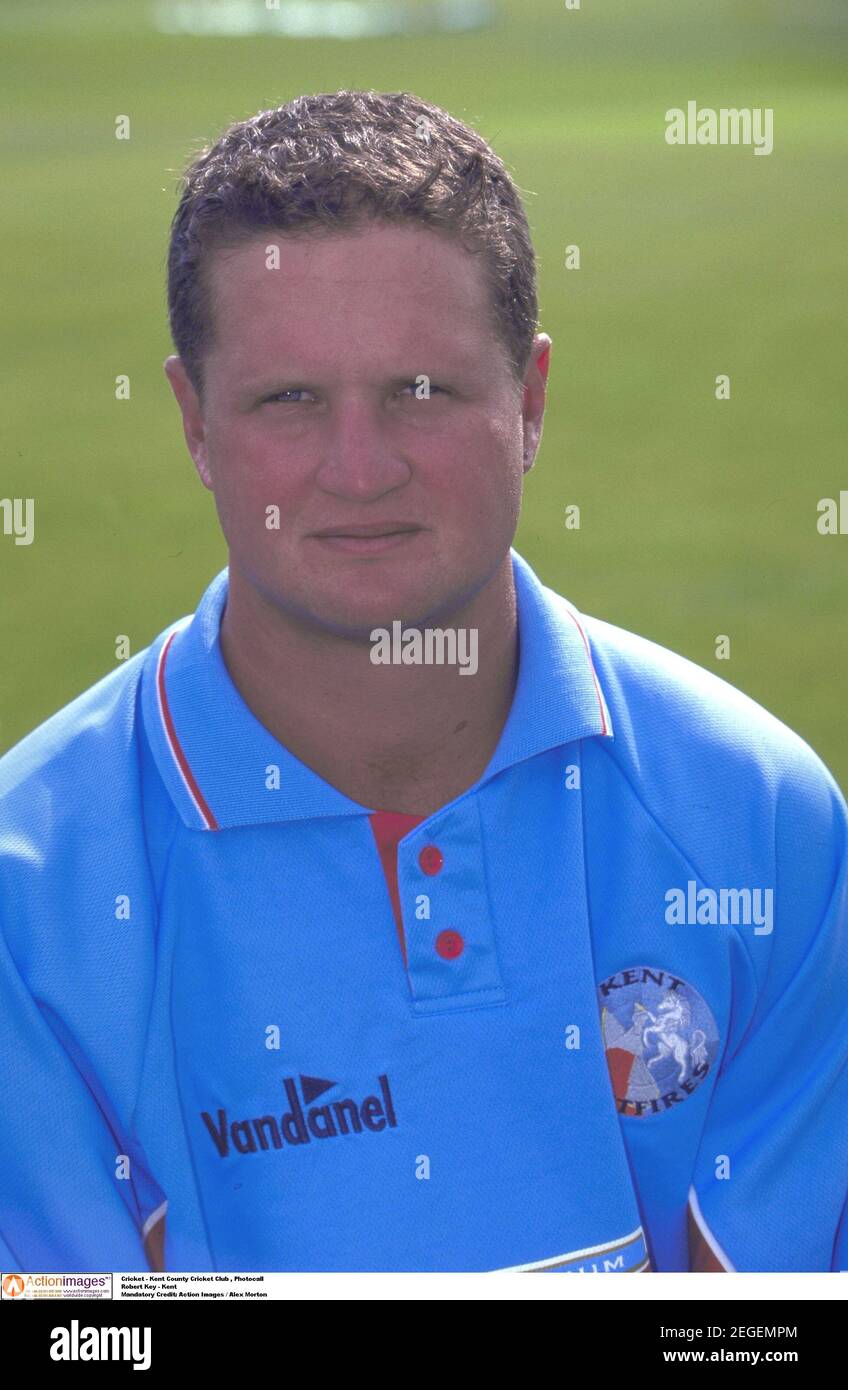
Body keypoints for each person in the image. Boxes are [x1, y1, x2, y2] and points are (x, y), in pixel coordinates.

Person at [1, 89, 846, 1275]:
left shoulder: (759, 818)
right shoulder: (28, 901)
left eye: (422, 391)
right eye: (288, 399)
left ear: (531, 400)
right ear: (195, 423)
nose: (359, 468)